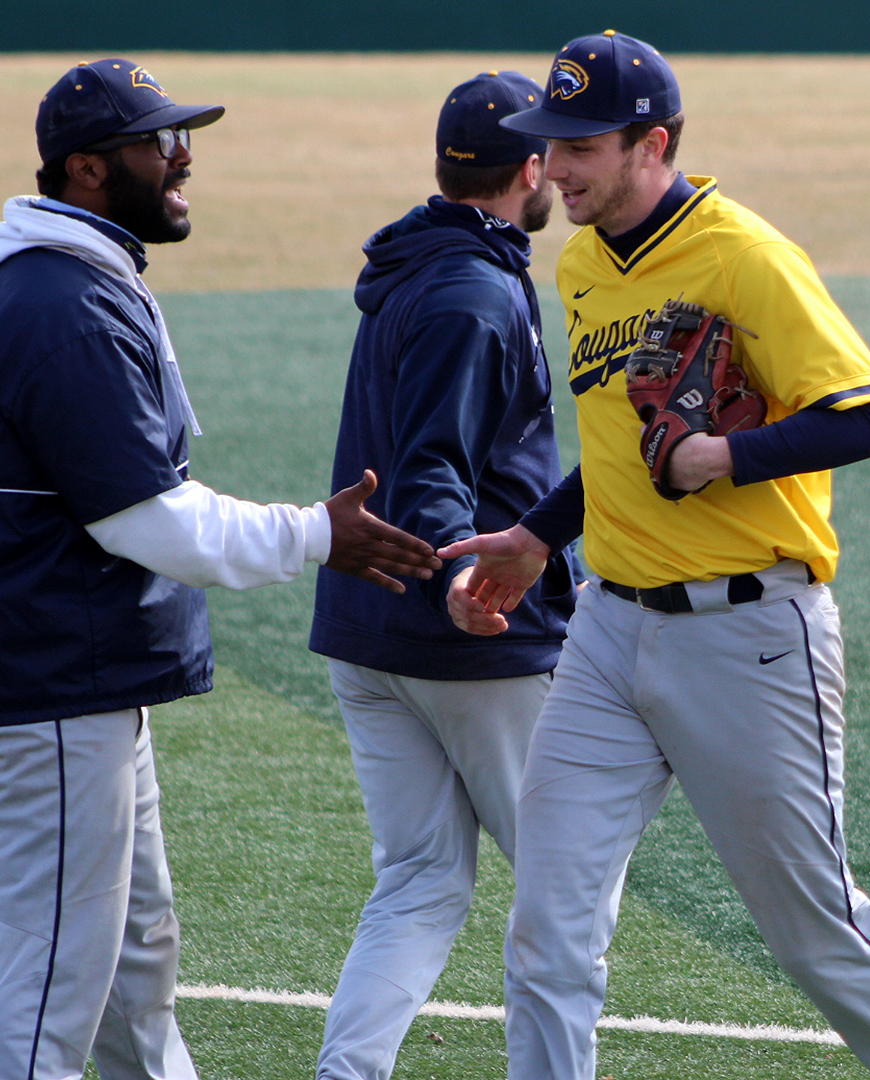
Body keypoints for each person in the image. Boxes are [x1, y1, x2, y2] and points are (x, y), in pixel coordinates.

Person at [439, 30, 870, 1080]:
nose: (554, 169)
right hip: (606, 635)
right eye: (549, 144)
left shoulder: (746, 256)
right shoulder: (582, 264)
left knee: (814, 928)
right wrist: (534, 537)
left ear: (653, 144)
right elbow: (622, 449)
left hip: (750, 636)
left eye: (581, 146)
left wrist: (726, 456)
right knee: (548, 927)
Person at [0, 59, 439, 1080]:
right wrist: (317, 535)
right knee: (53, 974)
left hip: (69, 670)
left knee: (133, 955)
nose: (184, 156)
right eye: (160, 141)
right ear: (87, 169)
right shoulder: (62, 305)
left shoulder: (26, 279)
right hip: (52, 678)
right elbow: (150, 524)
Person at [305, 71, 576, 1080]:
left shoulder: (421, 262)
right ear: (530, 169)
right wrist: (457, 583)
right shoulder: (474, 290)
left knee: (420, 880)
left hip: (369, 634)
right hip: (467, 639)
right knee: (563, 893)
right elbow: (431, 465)